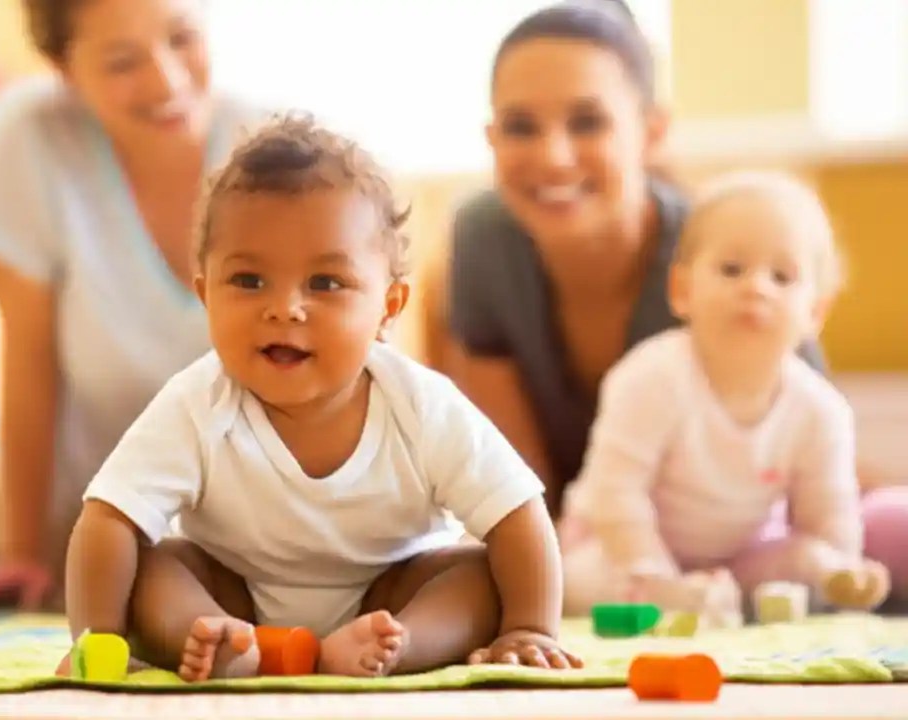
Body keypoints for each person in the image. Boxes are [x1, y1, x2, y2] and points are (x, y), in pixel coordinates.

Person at [62, 115, 582, 681]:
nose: (285, 308)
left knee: (476, 574)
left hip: (391, 594)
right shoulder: (195, 403)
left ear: (388, 306)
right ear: (206, 293)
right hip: (232, 596)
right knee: (158, 565)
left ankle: (398, 649)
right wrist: (98, 641)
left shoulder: (420, 404)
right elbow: (108, 519)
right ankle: (227, 644)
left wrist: (530, 627)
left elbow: (517, 514)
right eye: (249, 281)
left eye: (326, 284)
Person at [0, 0, 264, 613]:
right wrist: (22, 552)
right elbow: (29, 364)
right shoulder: (30, 134)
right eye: (122, 61)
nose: (167, 81)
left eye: (182, 38)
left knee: (183, 592)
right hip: (82, 473)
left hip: (233, 491)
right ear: (64, 69)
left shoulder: (274, 151)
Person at [443, 0, 826, 518]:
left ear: (652, 132)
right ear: (491, 138)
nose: (553, 156)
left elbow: (808, 453)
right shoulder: (481, 238)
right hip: (585, 540)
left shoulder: (722, 251)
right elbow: (517, 489)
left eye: (587, 122)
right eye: (520, 127)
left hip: (725, 531)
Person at [558, 170, 890, 617]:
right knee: (575, 581)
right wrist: (656, 573)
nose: (755, 287)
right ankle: (674, 598)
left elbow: (828, 515)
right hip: (613, 542)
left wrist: (833, 562)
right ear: (682, 290)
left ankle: (814, 587)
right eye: (731, 269)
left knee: (807, 558)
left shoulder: (819, 409)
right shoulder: (651, 377)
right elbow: (617, 494)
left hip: (737, 558)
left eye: (782, 276)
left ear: (815, 311)